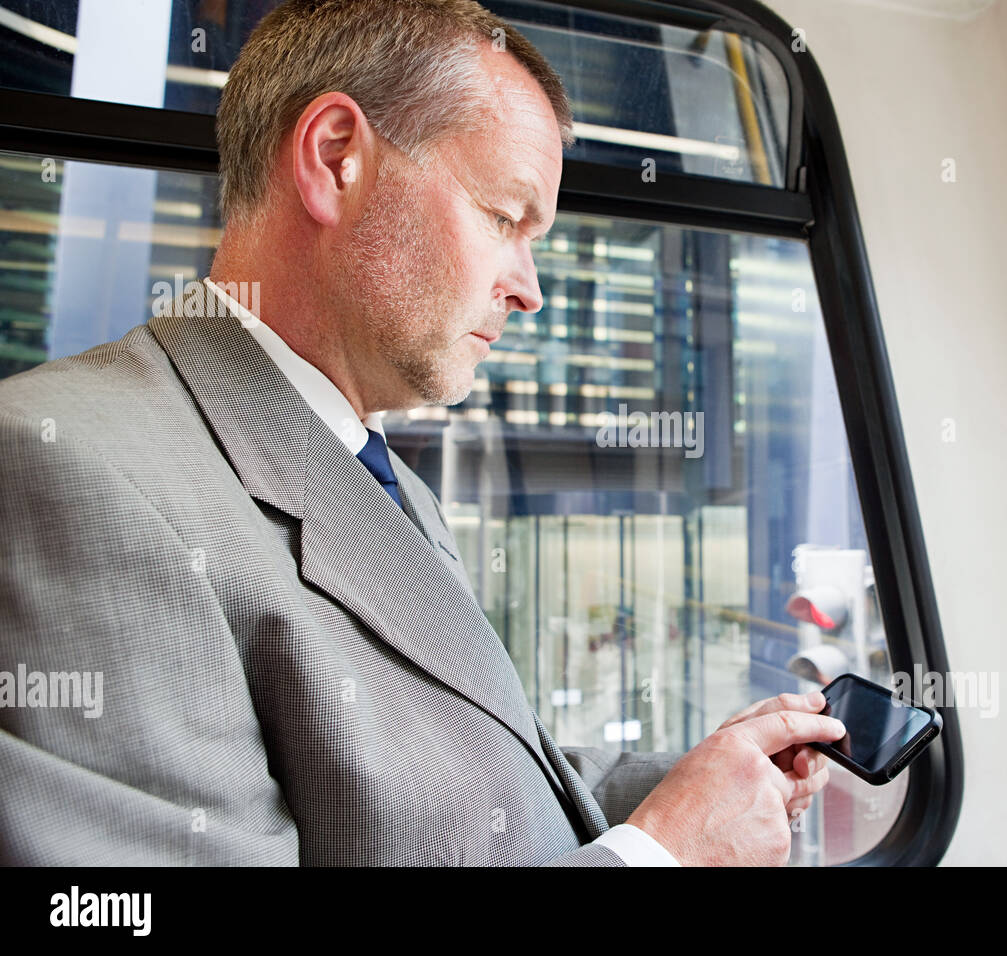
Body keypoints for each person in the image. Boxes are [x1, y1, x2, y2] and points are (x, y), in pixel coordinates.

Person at [0, 0, 843, 866]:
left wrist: (710, 782)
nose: (530, 289)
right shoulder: (71, 468)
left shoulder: (376, 476)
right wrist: (662, 855)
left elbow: (479, 785)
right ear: (336, 159)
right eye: (503, 217)